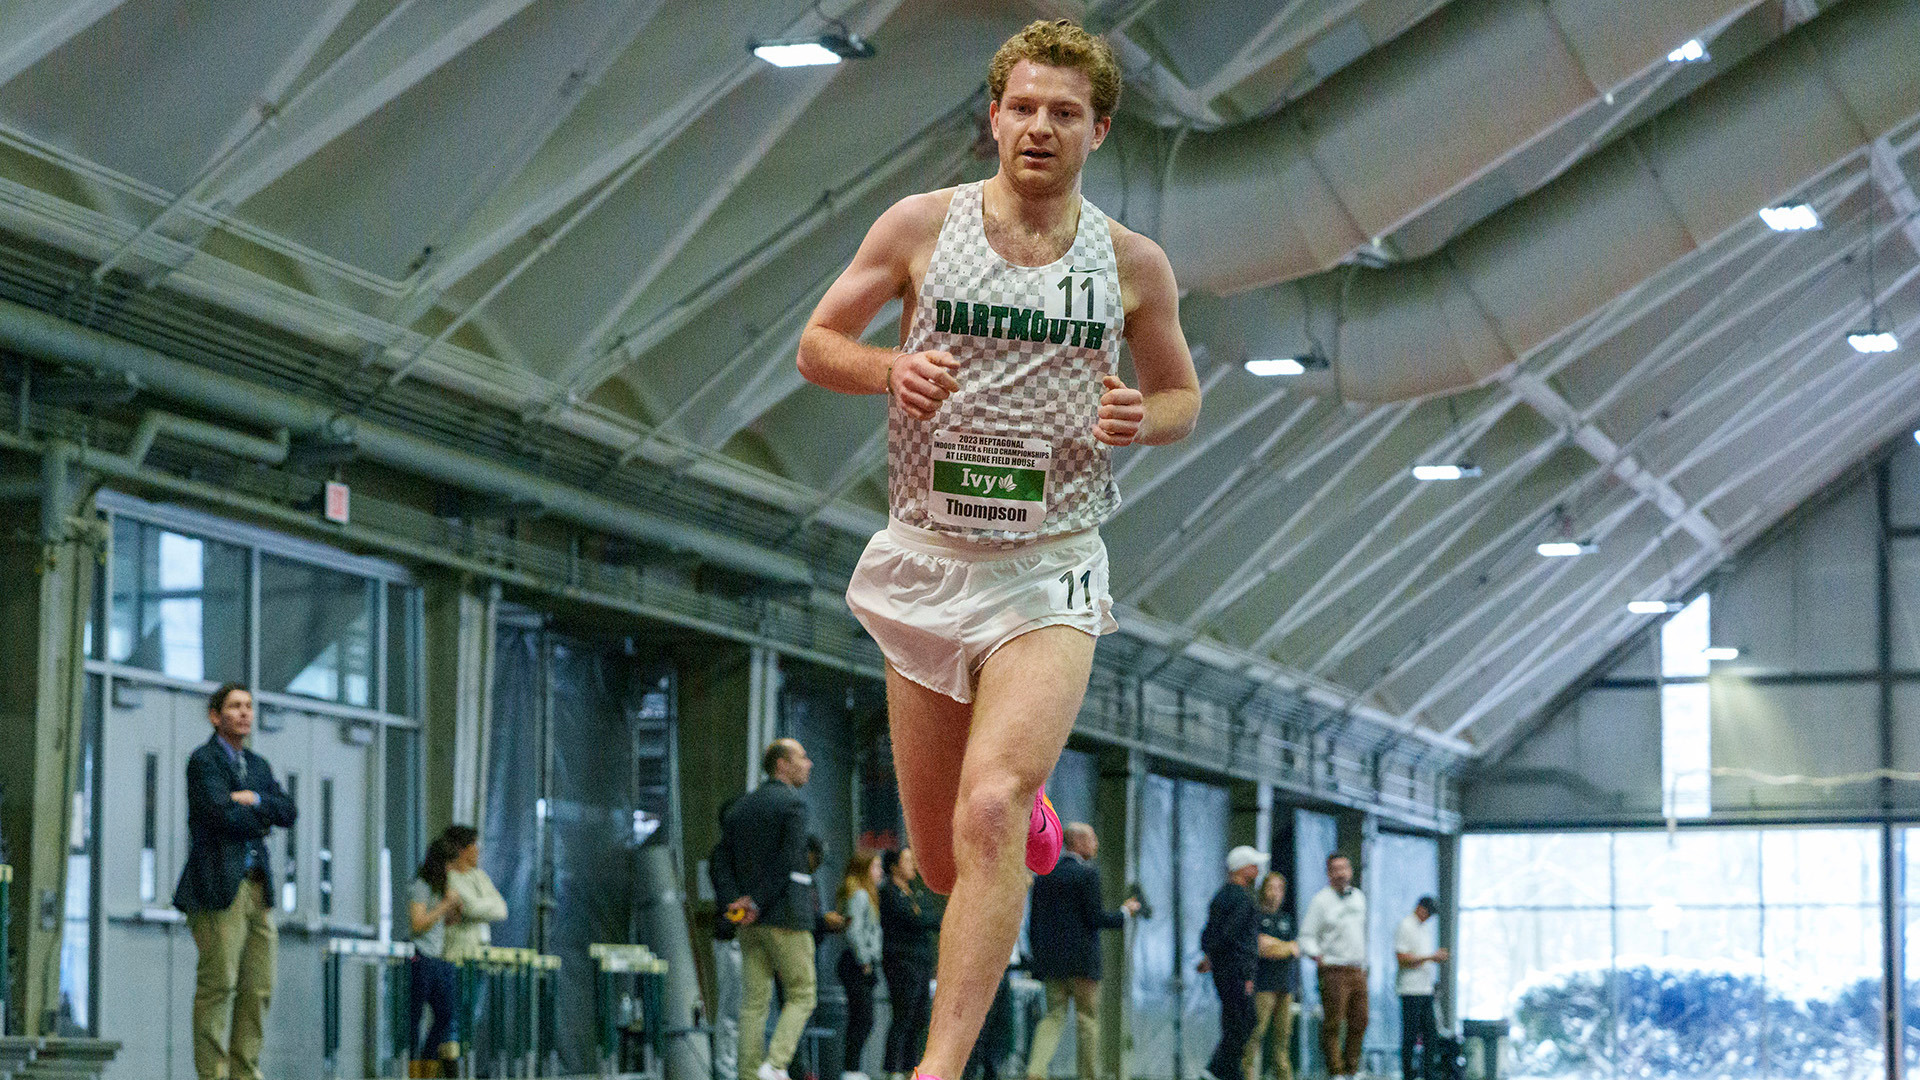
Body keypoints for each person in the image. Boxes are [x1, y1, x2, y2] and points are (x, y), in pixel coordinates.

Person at [797, 19, 1199, 1080]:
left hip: (1049, 565)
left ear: (1097, 131)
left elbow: (1180, 396)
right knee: (940, 861)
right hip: (930, 556)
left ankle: (936, 1068)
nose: (1039, 127)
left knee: (989, 808)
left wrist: (1139, 417)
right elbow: (817, 344)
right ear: (994, 116)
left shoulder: (1131, 263)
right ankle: (1028, 815)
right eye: (1023, 107)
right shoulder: (921, 227)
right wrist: (889, 370)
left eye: (1064, 112)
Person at [173, 682, 297, 1080]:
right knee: (219, 986)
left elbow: (288, 811)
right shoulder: (204, 761)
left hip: (258, 888)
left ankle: (246, 1072)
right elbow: (219, 814)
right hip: (218, 888)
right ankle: (213, 1074)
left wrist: (255, 800)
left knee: (258, 988)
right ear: (215, 716)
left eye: (249, 706)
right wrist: (261, 818)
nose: (245, 713)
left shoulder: (257, 765)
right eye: (235, 706)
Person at [710, 739, 819, 1080]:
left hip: (749, 924)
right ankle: (775, 1065)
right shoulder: (793, 806)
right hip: (786, 917)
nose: (809, 763)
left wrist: (737, 901)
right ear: (782, 764)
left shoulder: (740, 808)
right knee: (803, 994)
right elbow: (788, 860)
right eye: (802, 757)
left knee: (753, 1003)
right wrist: (756, 900)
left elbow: (720, 860)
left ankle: (747, 1074)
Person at [1025, 822, 1139, 1080]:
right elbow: (1095, 918)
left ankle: (1036, 1069)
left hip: (1053, 964)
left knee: (1053, 1016)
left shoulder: (1044, 876)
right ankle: (1086, 1076)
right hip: (1083, 964)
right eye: (1093, 839)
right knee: (1087, 1020)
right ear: (1078, 842)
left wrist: (1038, 961)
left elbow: (1035, 924)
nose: (1096, 844)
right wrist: (1124, 913)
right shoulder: (1088, 875)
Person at [1198, 847, 1266, 1080]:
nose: (1257, 870)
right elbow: (1236, 938)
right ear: (1243, 868)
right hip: (1236, 970)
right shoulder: (1244, 900)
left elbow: (1209, 933)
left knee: (1234, 1021)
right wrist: (1247, 974)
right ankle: (1217, 1070)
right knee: (1244, 1021)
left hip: (1223, 969)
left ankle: (1227, 1072)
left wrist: (1210, 956)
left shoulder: (1221, 896)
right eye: (1254, 865)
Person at [1299, 855, 1368, 1080]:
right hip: (1333, 969)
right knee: (1333, 1022)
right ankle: (1335, 1071)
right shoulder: (1321, 901)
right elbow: (1306, 935)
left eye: (1344, 867)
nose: (1341, 873)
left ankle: (1351, 1069)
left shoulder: (1359, 898)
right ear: (1329, 874)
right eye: (1336, 869)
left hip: (1357, 968)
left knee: (1360, 1020)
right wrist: (1316, 955)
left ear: (1351, 870)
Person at [880, 848, 943, 1080]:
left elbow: (928, 916)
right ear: (894, 866)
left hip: (921, 960)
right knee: (903, 1014)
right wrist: (924, 918)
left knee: (919, 1016)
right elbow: (913, 918)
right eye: (906, 860)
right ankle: (893, 1069)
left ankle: (911, 1068)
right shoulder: (888, 892)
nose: (912, 865)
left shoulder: (916, 892)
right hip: (901, 960)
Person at [409, 836, 465, 1072]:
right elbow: (418, 923)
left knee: (445, 1013)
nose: (451, 870)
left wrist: (454, 909)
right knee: (414, 1016)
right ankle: (413, 1067)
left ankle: (428, 1063)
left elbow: (446, 922)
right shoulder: (421, 886)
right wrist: (443, 906)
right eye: (449, 864)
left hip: (438, 957)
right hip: (420, 956)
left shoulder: (442, 888)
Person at [1244, 872, 1298, 1080]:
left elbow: (1295, 948)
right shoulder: (1256, 917)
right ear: (1263, 890)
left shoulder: (1286, 920)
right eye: (1271, 887)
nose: (1275, 893)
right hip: (1263, 986)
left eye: (1279, 889)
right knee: (1255, 1036)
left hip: (1285, 986)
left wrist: (1276, 945)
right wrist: (1284, 947)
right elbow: (1261, 947)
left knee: (1282, 1042)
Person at [1395, 896, 1448, 1080]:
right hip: (1410, 990)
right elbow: (1401, 958)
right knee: (1410, 1035)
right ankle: (1408, 1074)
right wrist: (1429, 958)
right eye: (1428, 912)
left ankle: (1428, 1073)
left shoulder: (1424, 928)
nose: (1428, 917)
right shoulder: (1406, 926)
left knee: (1430, 1035)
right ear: (1420, 908)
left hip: (1425, 990)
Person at [438, 825, 508, 963]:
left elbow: (501, 910)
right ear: (462, 849)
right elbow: (470, 908)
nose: (477, 850)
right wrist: (487, 905)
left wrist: (476, 907)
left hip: (481, 954)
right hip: (457, 955)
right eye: (474, 845)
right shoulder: (449, 878)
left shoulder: (480, 876)